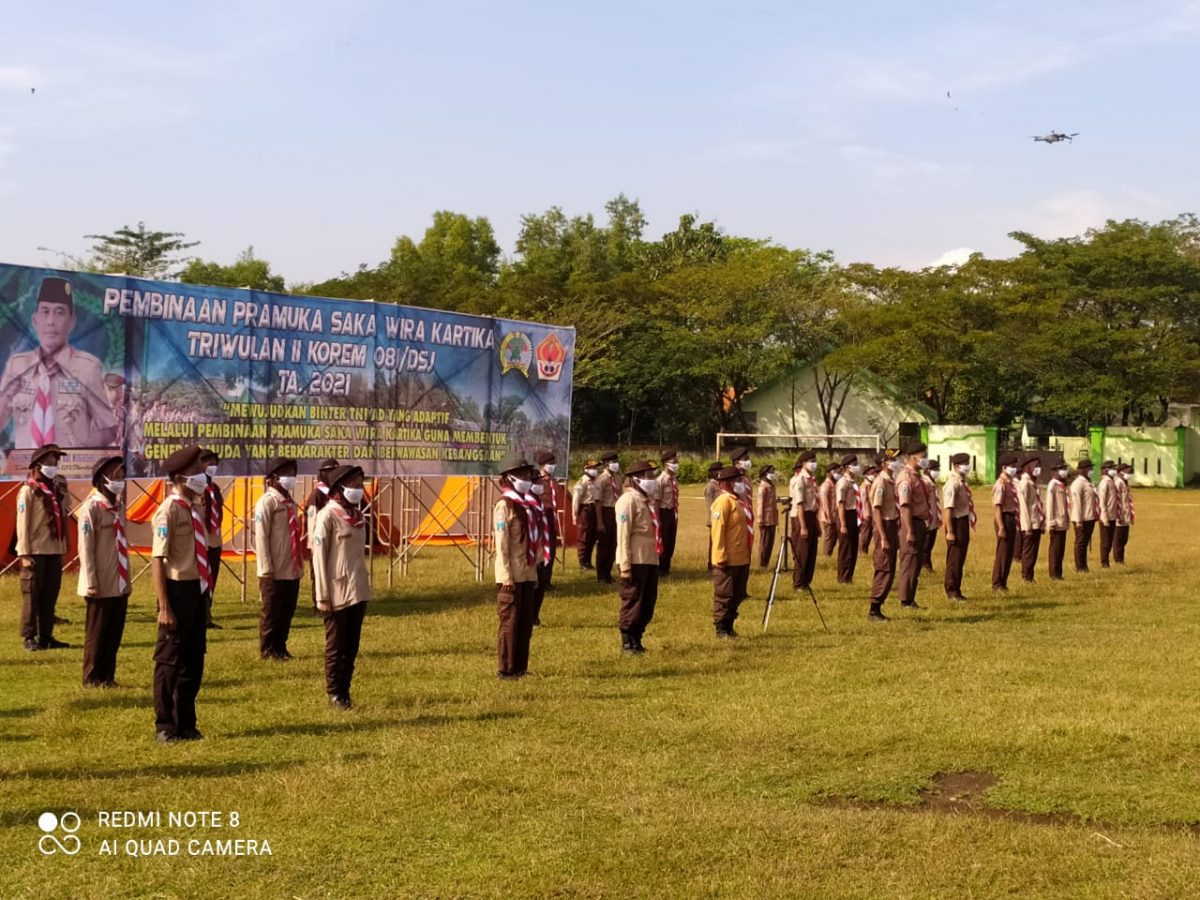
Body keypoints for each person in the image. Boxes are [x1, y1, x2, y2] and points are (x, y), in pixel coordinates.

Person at [0, 275, 117, 448]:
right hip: (26, 471)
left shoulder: (87, 367)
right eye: (45, 311)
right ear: (35, 320)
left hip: (68, 472)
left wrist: (81, 450)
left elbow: (109, 428)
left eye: (60, 312)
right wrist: (5, 398)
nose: (51, 321)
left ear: (72, 321)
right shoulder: (17, 365)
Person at [151, 445, 211, 742]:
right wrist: (164, 606)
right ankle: (165, 725)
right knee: (169, 661)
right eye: (196, 472)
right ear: (179, 477)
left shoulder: (195, 508)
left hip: (197, 590)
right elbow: (158, 560)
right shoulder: (169, 511)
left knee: (193, 659)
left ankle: (186, 722)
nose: (202, 476)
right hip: (176, 590)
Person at [312, 465, 371, 707]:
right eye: (355, 486)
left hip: (358, 590)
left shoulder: (358, 518)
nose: (359, 491)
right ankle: (335, 692)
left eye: (361, 486)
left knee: (351, 644)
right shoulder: (327, 516)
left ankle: (346, 689)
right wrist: (322, 596)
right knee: (336, 645)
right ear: (339, 489)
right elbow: (319, 558)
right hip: (336, 593)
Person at [76, 454, 130, 686]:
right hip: (100, 580)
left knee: (114, 631)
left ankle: (108, 675)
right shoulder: (91, 508)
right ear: (102, 480)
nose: (120, 480)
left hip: (118, 579)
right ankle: (92, 676)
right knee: (97, 632)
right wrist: (91, 581)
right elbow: (85, 548)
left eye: (122, 475)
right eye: (116, 476)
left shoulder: (117, 507)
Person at [16, 443, 69, 651]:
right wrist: (24, 553)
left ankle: (46, 635)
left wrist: (63, 547)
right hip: (35, 551)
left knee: (50, 594)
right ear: (38, 465)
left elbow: (64, 515)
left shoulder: (56, 490)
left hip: (54, 549)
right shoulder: (28, 490)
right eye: (49, 462)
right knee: (32, 594)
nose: (53, 465)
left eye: (55, 461)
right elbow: (22, 524)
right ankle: (29, 636)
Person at [491, 457, 539, 679]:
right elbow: (502, 545)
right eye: (521, 476)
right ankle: (506, 669)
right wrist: (506, 576)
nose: (526, 480)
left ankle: (521, 667)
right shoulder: (504, 505)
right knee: (510, 623)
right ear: (509, 478)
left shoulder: (528, 505)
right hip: (511, 575)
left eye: (528, 475)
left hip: (527, 573)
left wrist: (534, 572)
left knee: (525, 623)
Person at [254, 456, 304, 661]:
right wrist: (266, 568)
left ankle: (281, 646)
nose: (289, 478)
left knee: (287, 609)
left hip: (290, 566)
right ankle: (268, 649)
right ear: (273, 478)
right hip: (273, 568)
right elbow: (261, 536)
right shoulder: (267, 502)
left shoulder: (290, 503)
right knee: (271, 610)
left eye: (292, 473)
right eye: (285, 474)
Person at [616, 460, 662, 654]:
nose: (651, 479)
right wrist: (625, 566)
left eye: (651, 475)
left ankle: (638, 637)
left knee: (647, 602)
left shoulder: (645, 500)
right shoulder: (628, 501)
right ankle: (628, 640)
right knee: (633, 600)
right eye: (647, 476)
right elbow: (623, 535)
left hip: (650, 558)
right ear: (636, 479)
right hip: (635, 559)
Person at [710, 466, 751, 638]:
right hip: (728, 559)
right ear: (726, 483)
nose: (740, 483)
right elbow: (718, 530)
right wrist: (720, 554)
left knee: (737, 593)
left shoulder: (736, 501)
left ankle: (730, 625)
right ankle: (721, 628)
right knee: (725, 594)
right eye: (736, 480)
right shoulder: (723, 501)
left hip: (741, 558)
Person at [895, 442, 931, 609]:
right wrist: (909, 530)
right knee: (909, 562)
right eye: (923, 457)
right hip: (911, 523)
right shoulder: (906, 478)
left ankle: (910, 597)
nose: (925, 460)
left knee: (916, 563)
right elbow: (905, 506)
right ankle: (905, 600)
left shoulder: (917, 476)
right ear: (913, 457)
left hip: (920, 523)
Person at [869, 450, 901, 621]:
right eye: (892, 460)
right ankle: (874, 609)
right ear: (883, 464)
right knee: (884, 566)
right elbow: (876, 510)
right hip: (884, 525)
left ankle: (878, 605)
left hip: (892, 524)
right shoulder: (880, 483)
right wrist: (883, 536)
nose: (896, 462)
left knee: (890, 567)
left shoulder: (890, 481)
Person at [305, 457, 339, 612]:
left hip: (334, 542)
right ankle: (317, 604)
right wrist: (314, 544)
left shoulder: (334, 493)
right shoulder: (317, 495)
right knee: (318, 574)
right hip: (318, 542)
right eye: (331, 472)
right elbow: (312, 520)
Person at [942, 452, 975, 601]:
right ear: (956, 466)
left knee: (960, 557)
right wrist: (950, 531)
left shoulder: (962, 482)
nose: (968, 466)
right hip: (955, 522)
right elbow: (948, 509)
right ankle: (951, 590)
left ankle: (957, 588)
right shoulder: (952, 484)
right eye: (965, 463)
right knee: (954, 558)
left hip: (963, 521)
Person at [199, 449, 224, 630]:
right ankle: (200, 614)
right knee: (201, 576)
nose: (212, 467)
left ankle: (207, 614)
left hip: (214, 537)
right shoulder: (196, 488)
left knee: (212, 576)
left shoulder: (214, 488)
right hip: (201, 538)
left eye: (215, 463)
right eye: (209, 463)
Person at [790, 451, 819, 591]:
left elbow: (814, 504)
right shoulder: (799, 479)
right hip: (801, 516)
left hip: (811, 516)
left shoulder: (811, 480)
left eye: (814, 460)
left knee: (811, 551)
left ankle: (807, 581)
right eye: (811, 461)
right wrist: (803, 526)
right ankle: (798, 583)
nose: (814, 463)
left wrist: (816, 523)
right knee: (802, 551)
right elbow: (799, 503)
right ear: (803, 463)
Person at [991, 451, 1020, 592]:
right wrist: (1001, 526)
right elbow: (997, 506)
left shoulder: (1010, 483)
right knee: (1002, 552)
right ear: (1004, 467)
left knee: (1009, 552)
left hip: (1011, 517)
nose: (1014, 468)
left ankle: (1003, 581)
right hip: (1003, 517)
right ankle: (997, 583)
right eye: (1011, 466)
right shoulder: (1001, 484)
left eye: (1015, 465)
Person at [530, 466, 555, 627]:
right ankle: (527, 617)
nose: (541, 484)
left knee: (539, 586)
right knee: (529, 589)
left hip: (540, 552)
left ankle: (534, 617)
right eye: (536, 481)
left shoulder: (541, 504)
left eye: (540, 480)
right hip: (527, 555)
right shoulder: (523, 504)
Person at [1016, 454, 1045, 582]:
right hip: (1029, 523)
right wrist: (1027, 527)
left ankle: (1030, 575)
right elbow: (1023, 507)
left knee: (1034, 552)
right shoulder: (1024, 483)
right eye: (1036, 465)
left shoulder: (1033, 482)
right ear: (1028, 467)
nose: (1038, 468)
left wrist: (1042, 523)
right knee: (1028, 552)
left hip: (1036, 522)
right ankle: (1026, 576)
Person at [594, 451, 621, 584]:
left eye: (616, 461)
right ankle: (601, 575)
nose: (616, 464)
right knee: (604, 546)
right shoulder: (601, 480)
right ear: (605, 464)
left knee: (614, 544)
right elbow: (598, 502)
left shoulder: (617, 478)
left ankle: (608, 572)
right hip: (605, 512)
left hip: (617, 512)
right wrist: (600, 522)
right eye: (613, 462)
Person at [1068, 459, 1099, 573]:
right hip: (1082, 518)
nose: (1091, 470)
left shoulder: (1088, 482)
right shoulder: (1078, 484)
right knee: (1080, 543)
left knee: (1084, 543)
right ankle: (1080, 567)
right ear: (1082, 470)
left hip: (1089, 517)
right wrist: (1078, 520)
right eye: (1089, 468)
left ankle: (1084, 565)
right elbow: (1076, 503)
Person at [835, 454, 861, 584]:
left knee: (853, 547)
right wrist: (843, 524)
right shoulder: (843, 483)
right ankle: (843, 577)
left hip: (854, 514)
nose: (857, 466)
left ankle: (849, 575)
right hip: (845, 514)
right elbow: (841, 504)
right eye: (854, 464)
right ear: (846, 467)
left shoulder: (853, 482)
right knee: (846, 548)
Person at [571, 458, 600, 570]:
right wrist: (574, 515)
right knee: (584, 536)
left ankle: (588, 561)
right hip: (585, 510)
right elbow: (576, 500)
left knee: (592, 537)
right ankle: (582, 562)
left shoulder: (596, 481)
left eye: (595, 468)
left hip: (594, 510)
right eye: (592, 468)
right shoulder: (581, 482)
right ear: (585, 469)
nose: (594, 470)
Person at [656, 450, 681, 575]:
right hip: (663, 512)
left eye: (676, 461)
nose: (676, 464)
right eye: (673, 462)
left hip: (672, 512)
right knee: (664, 539)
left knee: (671, 539)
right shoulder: (661, 480)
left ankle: (667, 567)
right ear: (665, 464)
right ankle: (661, 567)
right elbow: (657, 501)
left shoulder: (674, 479)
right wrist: (657, 519)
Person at [1045, 462, 1070, 580]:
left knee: (1060, 550)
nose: (1064, 471)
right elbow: (1050, 505)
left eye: (1065, 469)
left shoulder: (1061, 485)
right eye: (1062, 469)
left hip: (1063, 522)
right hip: (1056, 522)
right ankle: (1054, 574)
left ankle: (1059, 573)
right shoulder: (1053, 485)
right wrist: (1051, 522)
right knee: (1055, 549)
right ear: (1054, 471)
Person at [1097, 460, 1120, 569]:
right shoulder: (1104, 483)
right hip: (1106, 516)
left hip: (1112, 515)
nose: (1114, 470)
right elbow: (1102, 501)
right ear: (1106, 470)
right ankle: (1104, 562)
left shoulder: (1111, 481)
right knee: (1105, 541)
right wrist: (1104, 517)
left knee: (1110, 540)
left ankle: (1107, 561)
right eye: (1112, 468)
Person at [754, 465, 778, 569]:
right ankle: (762, 563)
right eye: (771, 472)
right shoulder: (762, 488)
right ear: (764, 474)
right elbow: (760, 504)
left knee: (770, 542)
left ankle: (766, 562)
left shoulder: (772, 486)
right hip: (765, 519)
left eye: (773, 471)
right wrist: (760, 519)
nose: (773, 474)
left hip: (772, 518)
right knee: (765, 541)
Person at [921, 458, 942, 573]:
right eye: (935, 469)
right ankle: (925, 565)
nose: (937, 471)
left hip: (934, 518)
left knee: (930, 544)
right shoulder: (924, 483)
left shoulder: (932, 483)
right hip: (927, 519)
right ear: (927, 470)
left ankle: (927, 564)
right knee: (925, 544)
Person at [818, 459, 842, 557]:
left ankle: (829, 555)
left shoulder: (835, 484)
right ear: (830, 473)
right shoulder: (826, 486)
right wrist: (829, 517)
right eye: (836, 472)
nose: (838, 474)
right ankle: (826, 556)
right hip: (829, 517)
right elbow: (824, 503)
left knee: (834, 539)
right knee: (829, 539)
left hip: (836, 516)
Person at [703, 460, 723, 573]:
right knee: (713, 542)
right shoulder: (711, 486)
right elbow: (709, 504)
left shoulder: (720, 484)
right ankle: (711, 563)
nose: (720, 472)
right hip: (714, 518)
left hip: (721, 517)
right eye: (718, 470)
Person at [1114, 463, 1134, 564]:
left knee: (1124, 539)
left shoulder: (1125, 482)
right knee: (1119, 539)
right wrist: (1118, 515)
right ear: (1121, 472)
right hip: (1120, 514)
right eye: (1128, 471)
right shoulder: (1118, 482)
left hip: (1125, 514)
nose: (1130, 474)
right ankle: (1118, 559)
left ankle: (1121, 558)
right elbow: (1116, 500)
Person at [858, 464, 878, 557]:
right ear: (866, 474)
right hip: (867, 514)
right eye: (871, 472)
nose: (874, 474)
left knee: (869, 535)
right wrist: (867, 515)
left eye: (874, 472)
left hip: (872, 514)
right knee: (865, 535)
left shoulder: (872, 485)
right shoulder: (864, 486)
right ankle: (862, 552)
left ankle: (864, 552)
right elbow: (864, 501)